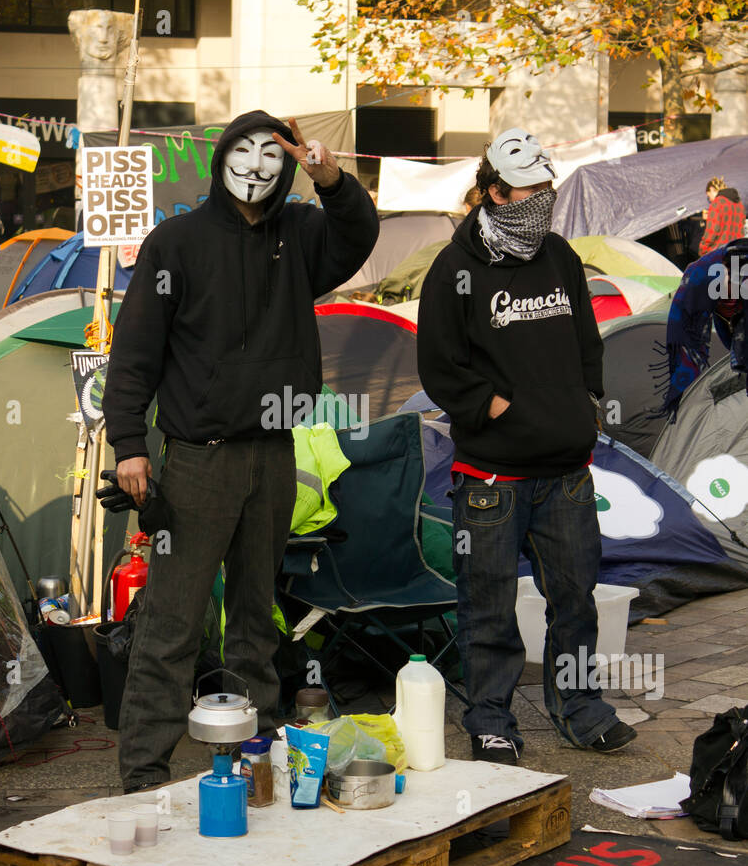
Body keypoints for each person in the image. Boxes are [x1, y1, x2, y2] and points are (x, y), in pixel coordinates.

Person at [102, 110, 379, 792]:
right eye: (243, 152)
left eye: (270, 156)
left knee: (257, 621)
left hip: (273, 459)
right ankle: (143, 775)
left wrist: (332, 179)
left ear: (286, 169)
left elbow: (358, 234)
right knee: (173, 623)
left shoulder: (301, 235)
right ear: (222, 158)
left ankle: (256, 767)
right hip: (198, 460)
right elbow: (134, 353)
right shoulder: (177, 243)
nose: (256, 166)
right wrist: (130, 445)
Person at [417, 128, 637, 765]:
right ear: (492, 192)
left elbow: (587, 341)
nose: (541, 201)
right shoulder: (454, 268)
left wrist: (585, 402)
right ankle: (490, 720)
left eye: (548, 189)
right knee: (488, 607)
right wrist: (492, 407)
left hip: (567, 470)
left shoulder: (561, 257)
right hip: (492, 477)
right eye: (528, 191)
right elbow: (439, 362)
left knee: (575, 600)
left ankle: (582, 709)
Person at [698, 179, 746, 257]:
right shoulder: (739, 204)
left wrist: (702, 250)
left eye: (708, 196)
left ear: (712, 190)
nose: (709, 200)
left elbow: (711, 233)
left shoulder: (717, 203)